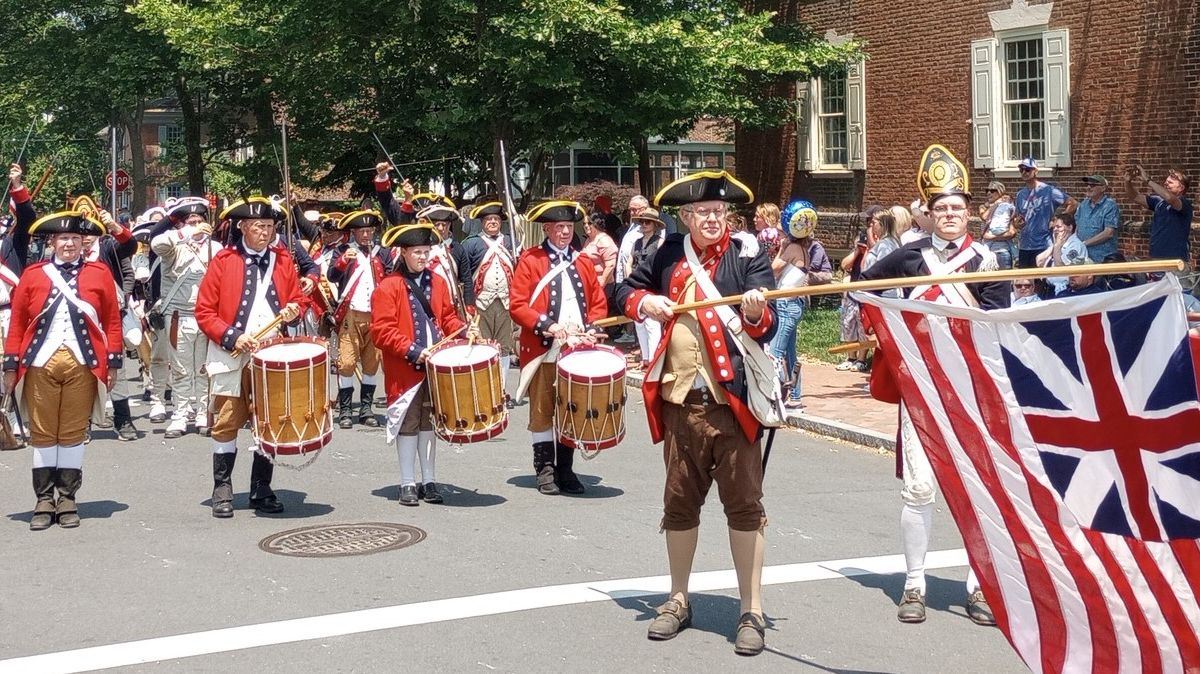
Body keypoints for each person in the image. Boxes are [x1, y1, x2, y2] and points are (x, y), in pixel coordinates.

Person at [615, 170, 776, 656]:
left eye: (719, 211)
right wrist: (646, 301)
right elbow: (623, 292)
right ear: (685, 217)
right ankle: (678, 599)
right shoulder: (667, 253)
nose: (712, 219)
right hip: (681, 403)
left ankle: (751, 609)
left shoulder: (746, 253)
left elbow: (765, 325)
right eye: (703, 212)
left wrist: (754, 311)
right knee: (680, 504)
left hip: (733, 405)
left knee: (745, 506)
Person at [860, 144, 1009, 627]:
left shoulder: (988, 261)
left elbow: (999, 325)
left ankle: (979, 587)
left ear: (969, 212)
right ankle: (914, 584)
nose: (949, 214)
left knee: (979, 489)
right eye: (941, 207)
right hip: (922, 388)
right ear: (929, 212)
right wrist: (881, 329)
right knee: (920, 489)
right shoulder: (909, 256)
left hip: (971, 390)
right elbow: (863, 287)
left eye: (956, 207)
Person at [3, 209, 123, 530]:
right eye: (63, 238)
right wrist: (11, 365)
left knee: (72, 431)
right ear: (52, 242)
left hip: (83, 364)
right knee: (43, 432)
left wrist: (113, 362)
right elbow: (17, 323)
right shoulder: (33, 274)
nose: (69, 244)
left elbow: (112, 321)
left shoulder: (99, 273)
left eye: (75, 238)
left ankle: (67, 498)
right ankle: (44, 499)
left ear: (83, 243)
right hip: (39, 363)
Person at [195, 197, 304, 518]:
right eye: (258, 226)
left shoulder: (282, 261)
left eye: (269, 226)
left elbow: (298, 300)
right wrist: (232, 336)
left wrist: (295, 310)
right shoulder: (223, 261)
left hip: (271, 352)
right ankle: (222, 487)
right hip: (231, 352)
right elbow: (204, 311)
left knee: (268, 421)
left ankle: (261, 487)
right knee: (227, 420)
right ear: (243, 227)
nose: (265, 232)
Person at [510, 200, 607, 496]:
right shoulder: (531, 260)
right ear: (547, 229)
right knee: (542, 409)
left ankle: (566, 468)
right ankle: (545, 469)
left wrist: (593, 327)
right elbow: (518, 305)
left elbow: (598, 302)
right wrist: (548, 325)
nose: (565, 232)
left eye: (568, 227)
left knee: (570, 409)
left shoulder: (583, 261)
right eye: (559, 227)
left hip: (575, 349)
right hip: (543, 348)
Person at [371, 224, 470, 505]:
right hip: (406, 367)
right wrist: (414, 351)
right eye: (417, 252)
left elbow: (447, 317)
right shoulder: (389, 286)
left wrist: (463, 329)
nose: (423, 257)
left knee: (428, 422)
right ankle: (407, 483)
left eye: (426, 252)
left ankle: (429, 480)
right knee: (408, 423)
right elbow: (381, 331)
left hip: (435, 366)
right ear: (403, 253)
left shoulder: (438, 281)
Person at [150, 197, 215, 439]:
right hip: (178, 316)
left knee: (204, 369)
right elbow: (155, 243)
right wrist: (187, 234)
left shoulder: (216, 248)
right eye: (190, 222)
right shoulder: (174, 246)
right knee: (179, 370)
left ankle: (203, 414)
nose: (196, 226)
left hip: (206, 317)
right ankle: (179, 415)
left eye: (199, 221)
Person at [327, 210, 392, 429]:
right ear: (353, 232)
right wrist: (342, 261)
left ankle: (366, 409)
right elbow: (332, 276)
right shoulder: (343, 251)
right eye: (361, 231)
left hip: (375, 315)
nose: (366, 235)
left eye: (369, 231)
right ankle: (346, 410)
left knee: (371, 364)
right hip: (351, 313)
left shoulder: (382, 253)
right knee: (346, 362)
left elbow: (390, 279)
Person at [772, 200, 832, 407]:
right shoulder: (804, 248)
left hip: (785, 305)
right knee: (790, 354)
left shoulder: (792, 248)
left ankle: (775, 396)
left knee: (774, 353)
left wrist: (780, 249)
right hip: (794, 304)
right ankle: (795, 396)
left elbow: (772, 270)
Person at [461, 201, 518, 403]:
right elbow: (465, 277)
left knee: (504, 347)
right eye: (488, 219)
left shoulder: (510, 241)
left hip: (505, 303)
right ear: (482, 222)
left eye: (496, 219)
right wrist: (468, 304)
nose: (493, 222)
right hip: (480, 304)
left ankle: (501, 389)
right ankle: (483, 391)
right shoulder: (471, 244)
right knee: (482, 346)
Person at [1124, 165, 1194, 286]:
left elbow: (1170, 198)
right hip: (1156, 260)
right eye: (1166, 182)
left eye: (1171, 182)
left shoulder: (1185, 203)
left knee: (1179, 295)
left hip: (1176, 262)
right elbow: (1135, 197)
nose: (1166, 183)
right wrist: (1127, 181)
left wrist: (1148, 180)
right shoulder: (1158, 202)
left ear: (1181, 187)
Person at [835, 207, 880, 374]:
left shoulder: (882, 243)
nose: (867, 224)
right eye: (867, 221)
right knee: (848, 323)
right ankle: (850, 357)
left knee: (863, 326)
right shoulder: (861, 238)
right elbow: (844, 265)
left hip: (868, 292)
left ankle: (861, 359)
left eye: (870, 221)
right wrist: (857, 251)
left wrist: (869, 249)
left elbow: (870, 265)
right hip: (853, 289)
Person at [1014, 157, 1076, 268]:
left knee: (1042, 278)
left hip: (1043, 244)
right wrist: (1017, 224)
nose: (1024, 172)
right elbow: (1018, 218)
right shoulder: (1020, 195)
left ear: (1035, 171)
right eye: (1021, 170)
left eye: (1027, 169)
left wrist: (1058, 221)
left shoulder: (1048, 190)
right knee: (1025, 277)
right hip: (1025, 245)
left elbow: (1072, 203)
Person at [629, 208, 668, 371]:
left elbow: (661, 265)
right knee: (639, 323)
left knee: (652, 324)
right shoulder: (636, 242)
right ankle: (645, 359)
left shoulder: (660, 242)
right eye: (642, 222)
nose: (644, 224)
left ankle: (653, 360)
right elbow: (629, 261)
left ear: (655, 225)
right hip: (636, 285)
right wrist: (630, 280)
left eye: (648, 222)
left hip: (651, 285)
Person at [1036, 209, 1087, 295]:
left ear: (1070, 227)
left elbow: (1060, 267)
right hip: (1048, 289)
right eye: (1054, 227)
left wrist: (1057, 246)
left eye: (1058, 227)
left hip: (1066, 290)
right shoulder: (1058, 244)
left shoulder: (1076, 245)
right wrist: (1055, 246)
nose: (1055, 230)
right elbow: (1039, 261)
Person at [1075, 175, 1120, 263]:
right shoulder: (1083, 205)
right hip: (1083, 256)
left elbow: (1108, 233)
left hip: (1102, 258)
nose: (1088, 187)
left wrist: (1084, 243)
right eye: (1087, 185)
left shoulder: (1110, 206)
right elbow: (1077, 227)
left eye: (1093, 185)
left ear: (1103, 188)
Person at [979, 181, 1016, 269]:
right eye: (987, 190)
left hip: (1003, 252)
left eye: (992, 191)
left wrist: (991, 237)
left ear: (1000, 192)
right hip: (987, 253)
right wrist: (995, 205)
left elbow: (1011, 233)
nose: (988, 193)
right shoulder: (983, 207)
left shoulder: (1007, 209)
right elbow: (984, 217)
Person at [581, 211, 618, 287]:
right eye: (584, 223)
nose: (586, 226)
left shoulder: (604, 240)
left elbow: (610, 266)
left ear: (596, 224)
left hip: (603, 286)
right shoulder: (588, 240)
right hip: (590, 284)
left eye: (589, 223)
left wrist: (601, 285)